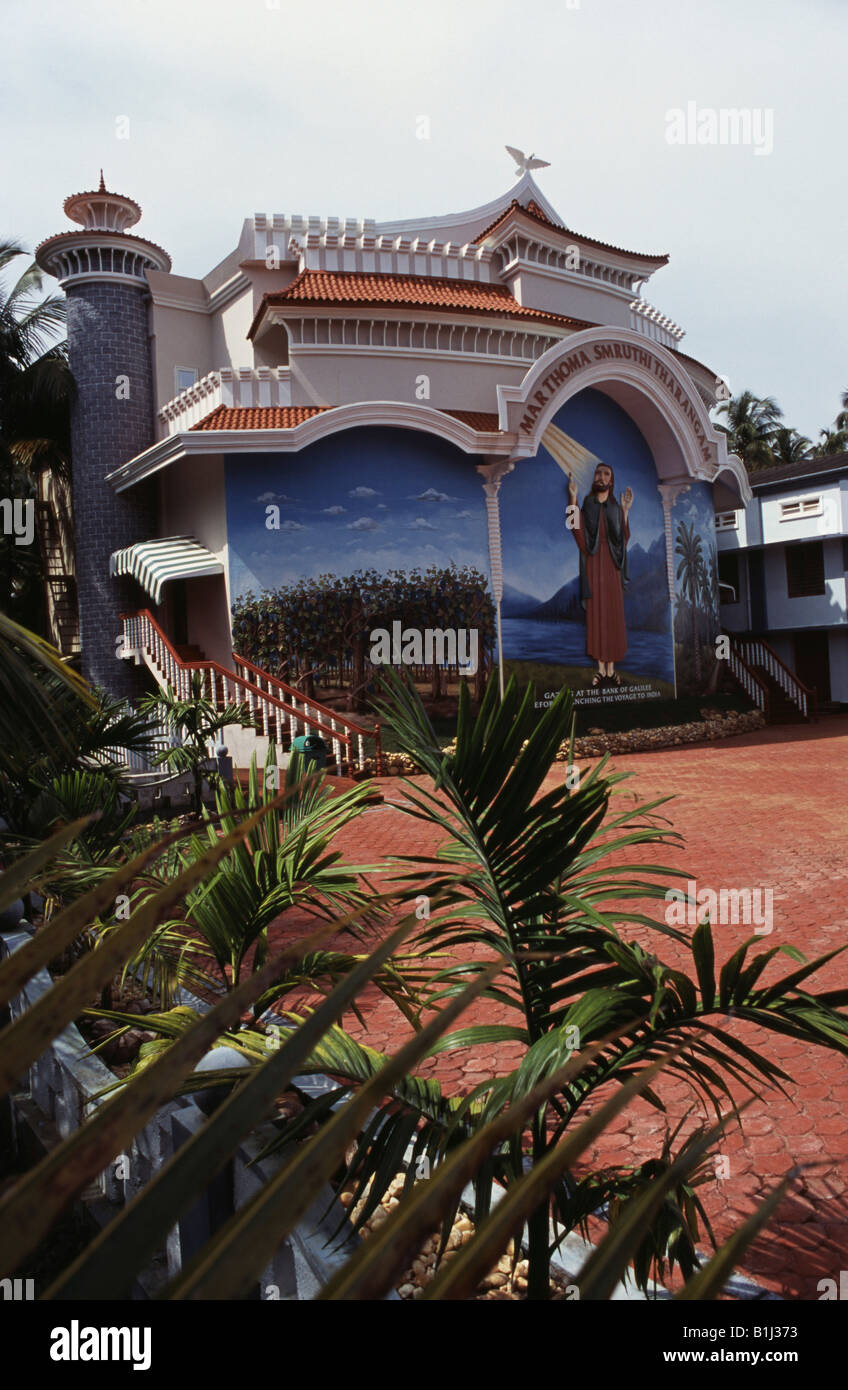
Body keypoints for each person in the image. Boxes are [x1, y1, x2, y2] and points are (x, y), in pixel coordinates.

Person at [567, 463, 633, 686]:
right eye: (598, 473)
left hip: (612, 566)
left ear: (611, 481)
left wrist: (625, 511)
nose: (601, 477)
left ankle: (611, 670)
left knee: (613, 613)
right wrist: (573, 499)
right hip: (594, 564)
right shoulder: (588, 504)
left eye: (606, 474)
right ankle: (600, 669)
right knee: (597, 615)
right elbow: (575, 529)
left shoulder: (615, 508)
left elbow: (623, 539)